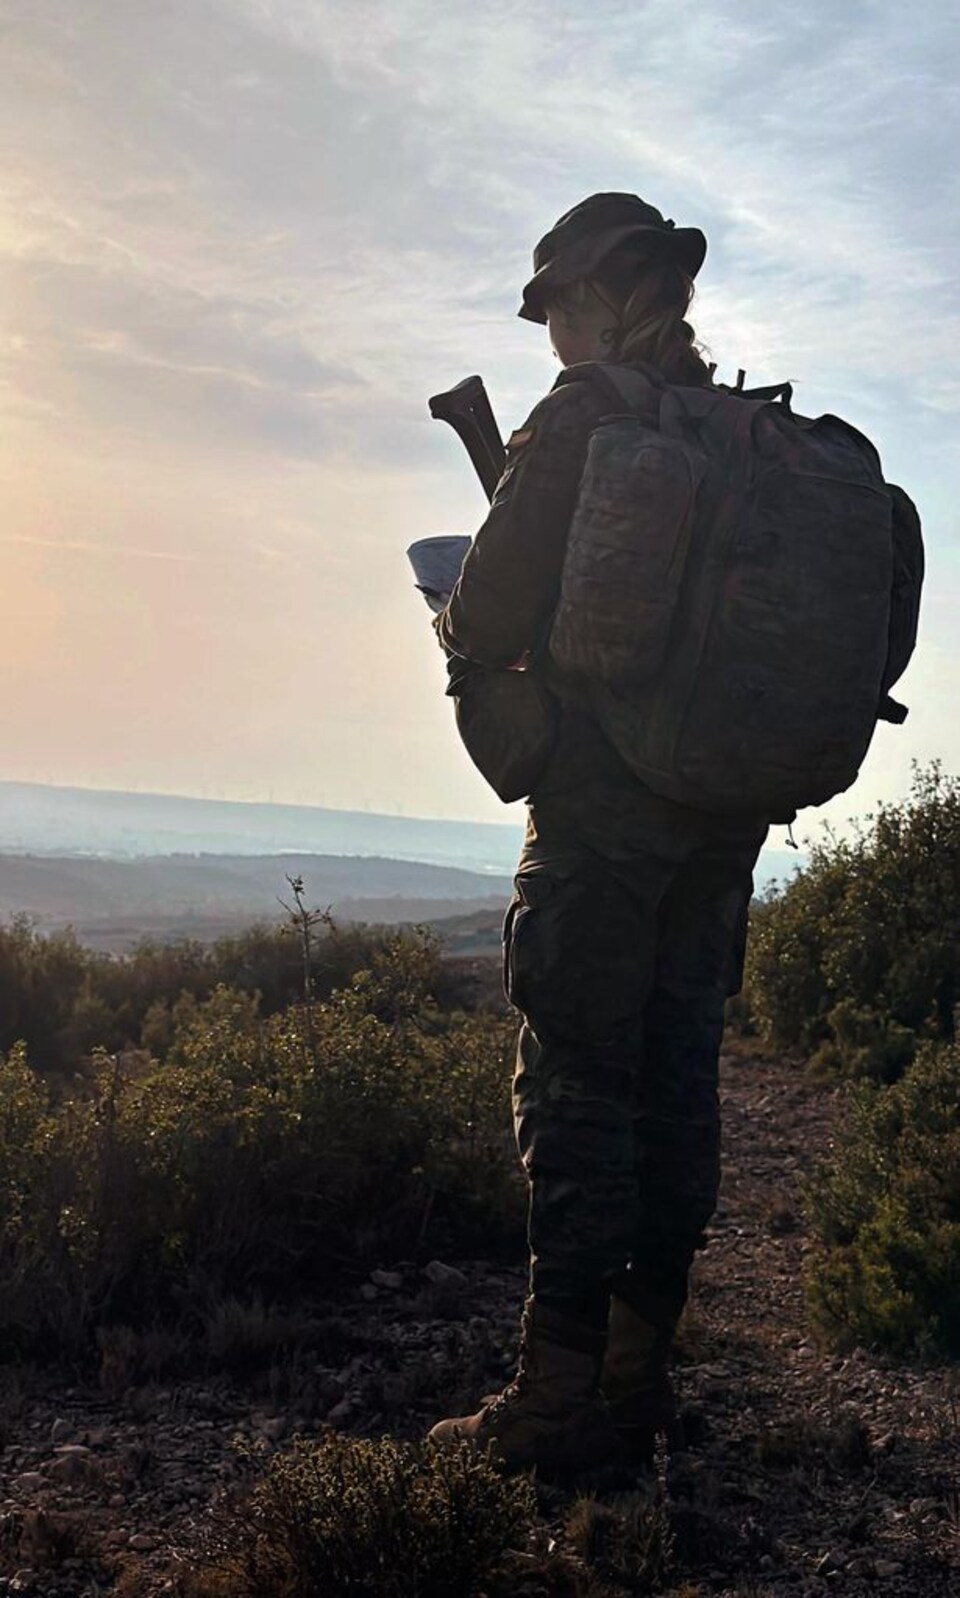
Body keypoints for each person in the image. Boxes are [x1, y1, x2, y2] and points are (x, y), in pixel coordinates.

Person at [427, 194, 769, 1474]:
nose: (552, 331)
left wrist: (460, 618)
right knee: (679, 1086)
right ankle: (639, 1377)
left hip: (603, 817)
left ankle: (555, 1398)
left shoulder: (583, 418)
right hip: (720, 818)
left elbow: (490, 611)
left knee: (575, 1088)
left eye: (556, 305)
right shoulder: (742, 430)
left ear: (593, 295)